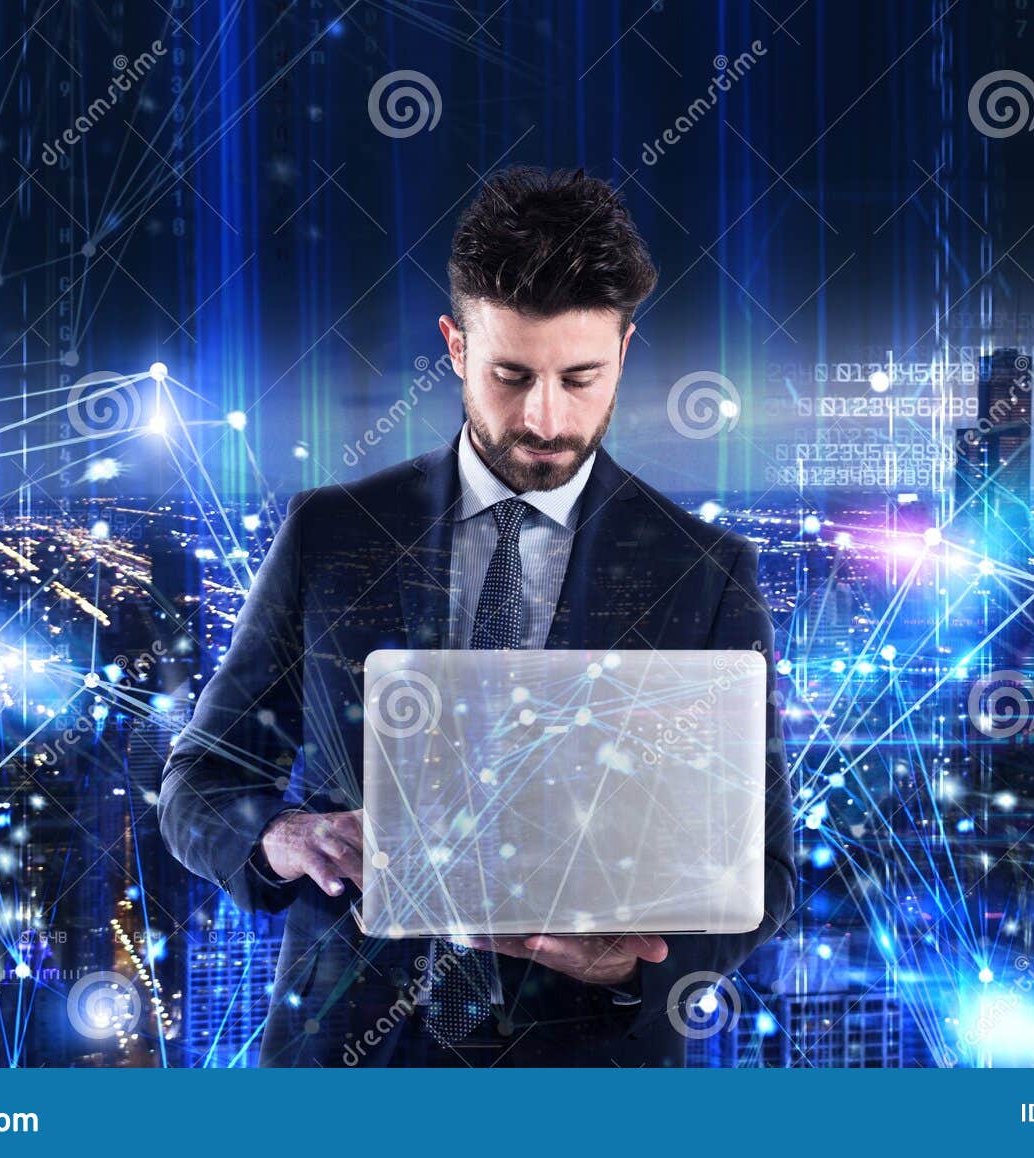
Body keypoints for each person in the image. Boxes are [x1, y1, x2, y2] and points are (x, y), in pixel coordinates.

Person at [158, 166, 795, 1066]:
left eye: (582, 378)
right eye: (510, 375)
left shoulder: (704, 574)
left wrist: (628, 964)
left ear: (627, 351)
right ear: (455, 348)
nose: (544, 417)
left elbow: (764, 873)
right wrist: (285, 836)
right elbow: (201, 780)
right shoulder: (332, 533)